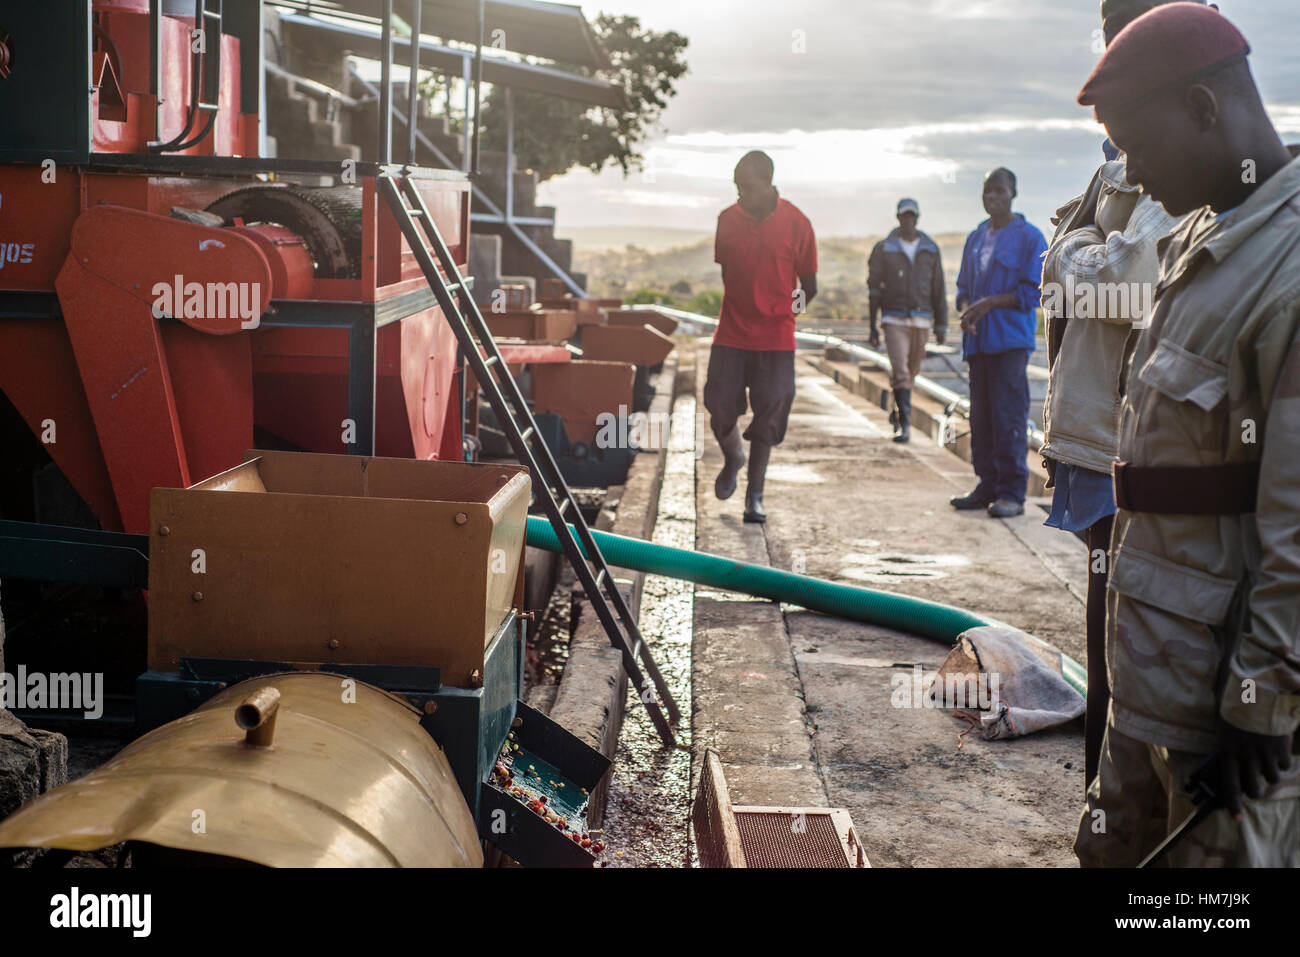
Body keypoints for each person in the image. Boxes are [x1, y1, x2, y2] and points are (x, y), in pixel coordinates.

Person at [1074, 3, 1300, 866]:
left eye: (1136, 141)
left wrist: (1265, 701)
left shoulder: (1287, 272)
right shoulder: (1204, 235)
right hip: (1156, 682)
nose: (1129, 169)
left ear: (1205, 111)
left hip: (1227, 712)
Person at [1040, 0, 1204, 794]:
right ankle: (1101, 805)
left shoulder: (1174, 163)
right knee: (1109, 631)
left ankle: (1111, 811)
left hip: (1132, 446)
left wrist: (1067, 247)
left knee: (1128, 648)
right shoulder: (1120, 162)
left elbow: (1121, 287)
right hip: (1103, 437)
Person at [705, 150, 818, 524]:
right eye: (736, 187)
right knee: (719, 407)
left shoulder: (797, 223)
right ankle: (733, 456)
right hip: (732, 333)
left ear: (768, 183)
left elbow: (809, 286)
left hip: (776, 339)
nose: (740, 194)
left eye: (747, 187)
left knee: (769, 415)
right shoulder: (727, 220)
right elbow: (729, 275)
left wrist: (789, 313)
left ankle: (754, 495)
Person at [950, 169, 1048, 518]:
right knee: (982, 417)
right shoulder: (976, 237)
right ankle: (986, 485)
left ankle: (1011, 493)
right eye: (987, 190)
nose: (993, 197)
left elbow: (1033, 292)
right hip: (977, 344)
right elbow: (963, 289)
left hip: (1009, 343)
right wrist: (967, 311)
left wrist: (989, 304)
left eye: (1000, 191)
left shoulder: (1030, 238)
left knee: (1008, 417)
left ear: (1013, 193)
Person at [867, 198, 948, 444]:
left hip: (922, 318)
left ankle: (897, 408)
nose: (908, 220)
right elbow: (873, 289)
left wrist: (941, 324)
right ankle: (905, 425)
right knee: (900, 370)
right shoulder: (885, 249)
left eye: (912, 216)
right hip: (893, 318)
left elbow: (938, 288)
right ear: (899, 218)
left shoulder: (930, 249)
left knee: (911, 371)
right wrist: (872, 325)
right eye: (905, 216)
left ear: (917, 218)